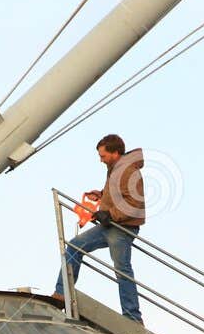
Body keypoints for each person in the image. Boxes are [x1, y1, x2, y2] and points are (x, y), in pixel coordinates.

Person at [54, 134, 145, 323]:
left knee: (122, 270)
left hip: (121, 228)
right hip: (109, 225)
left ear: (115, 153)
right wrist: (102, 195)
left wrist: (110, 214)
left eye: (103, 156)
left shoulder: (128, 171)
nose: (100, 159)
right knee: (75, 246)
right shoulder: (116, 168)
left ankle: (133, 318)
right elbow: (120, 194)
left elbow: (134, 204)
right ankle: (61, 293)